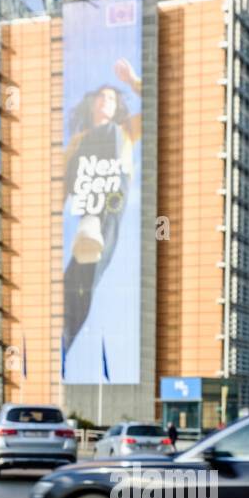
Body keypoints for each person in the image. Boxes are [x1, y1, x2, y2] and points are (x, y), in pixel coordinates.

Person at [63, 59, 142, 353]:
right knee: (72, 286)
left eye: (112, 98)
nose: (106, 102)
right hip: (85, 206)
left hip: (110, 203)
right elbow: (57, 184)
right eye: (102, 97)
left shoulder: (123, 130)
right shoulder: (78, 141)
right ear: (92, 104)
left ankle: (92, 220)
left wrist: (133, 80)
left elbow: (160, 106)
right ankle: (62, 341)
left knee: (109, 133)